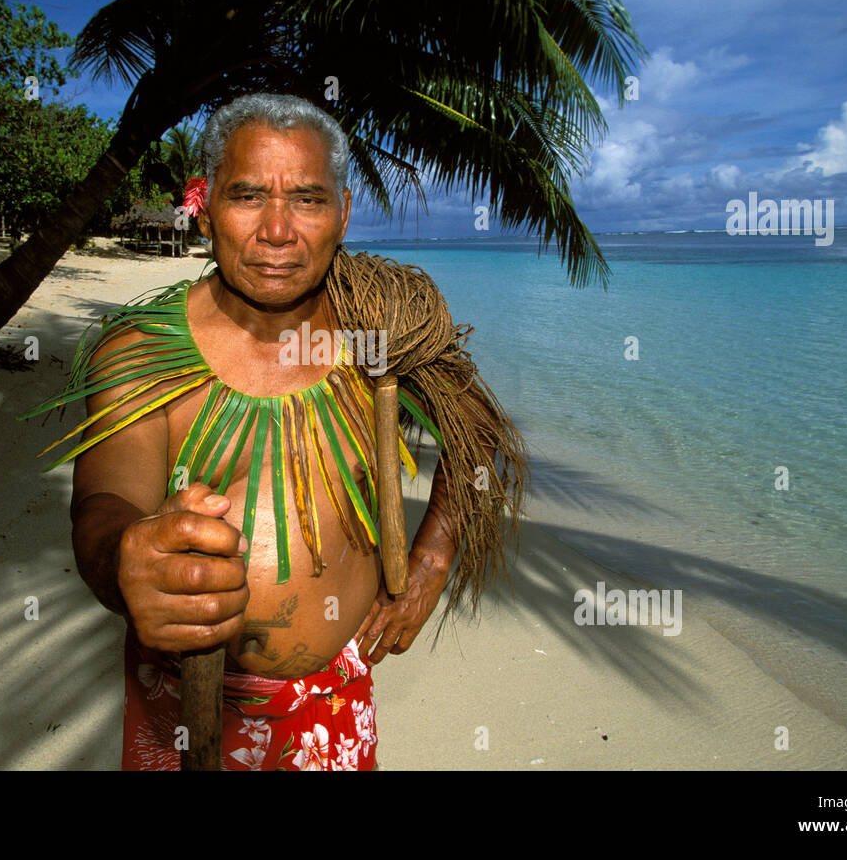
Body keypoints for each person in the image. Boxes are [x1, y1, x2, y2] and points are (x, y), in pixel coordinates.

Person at [38, 93, 523, 770]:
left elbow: (476, 423)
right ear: (205, 207)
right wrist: (128, 559)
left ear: (343, 213)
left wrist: (432, 560)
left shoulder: (380, 335)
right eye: (247, 196)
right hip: (177, 704)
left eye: (307, 198)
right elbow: (103, 502)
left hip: (332, 708)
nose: (277, 230)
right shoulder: (142, 351)